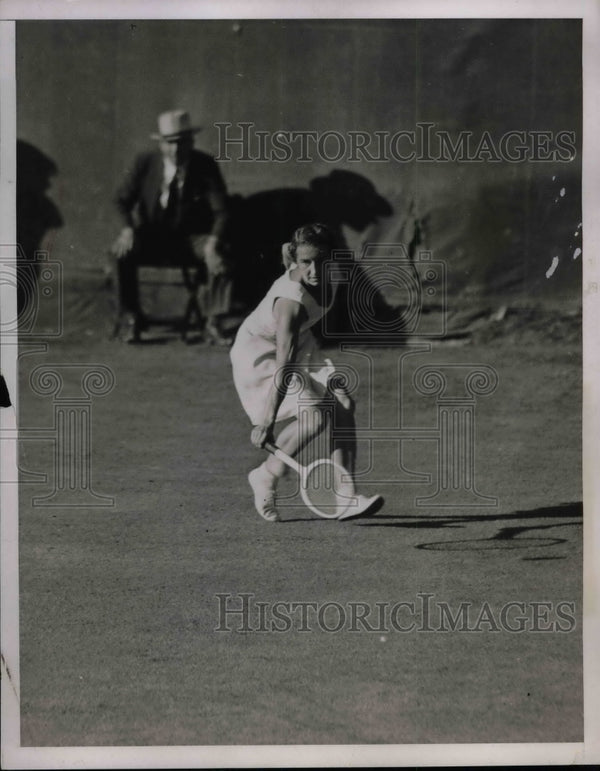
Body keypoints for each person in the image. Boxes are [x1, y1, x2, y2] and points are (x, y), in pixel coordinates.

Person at [230, 223, 383, 522]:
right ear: (297, 259)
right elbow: (284, 364)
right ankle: (266, 475)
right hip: (260, 353)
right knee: (314, 417)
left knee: (343, 404)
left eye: (322, 260)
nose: (314, 271)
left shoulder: (325, 272)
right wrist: (266, 422)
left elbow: (288, 254)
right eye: (306, 262)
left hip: (299, 342)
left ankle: (345, 495)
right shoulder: (290, 303)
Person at [111, 109, 231, 344]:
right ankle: (131, 319)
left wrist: (212, 244)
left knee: (222, 253)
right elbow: (120, 201)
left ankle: (213, 322)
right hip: (153, 237)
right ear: (161, 143)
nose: (175, 150)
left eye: (181, 143)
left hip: (192, 239)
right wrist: (127, 230)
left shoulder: (205, 165)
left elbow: (222, 211)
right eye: (169, 143)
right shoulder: (145, 162)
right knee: (119, 254)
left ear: (191, 142)